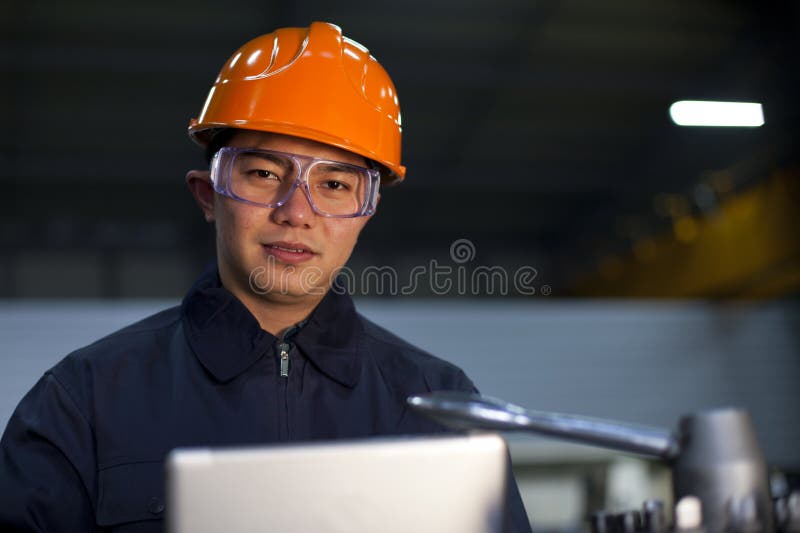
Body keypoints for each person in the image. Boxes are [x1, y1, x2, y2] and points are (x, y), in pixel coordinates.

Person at [0, 22, 532, 532]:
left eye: (335, 185)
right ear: (208, 196)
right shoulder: (83, 401)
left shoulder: (440, 406)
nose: (296, 211)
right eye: (263, 174)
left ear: (365, 214)